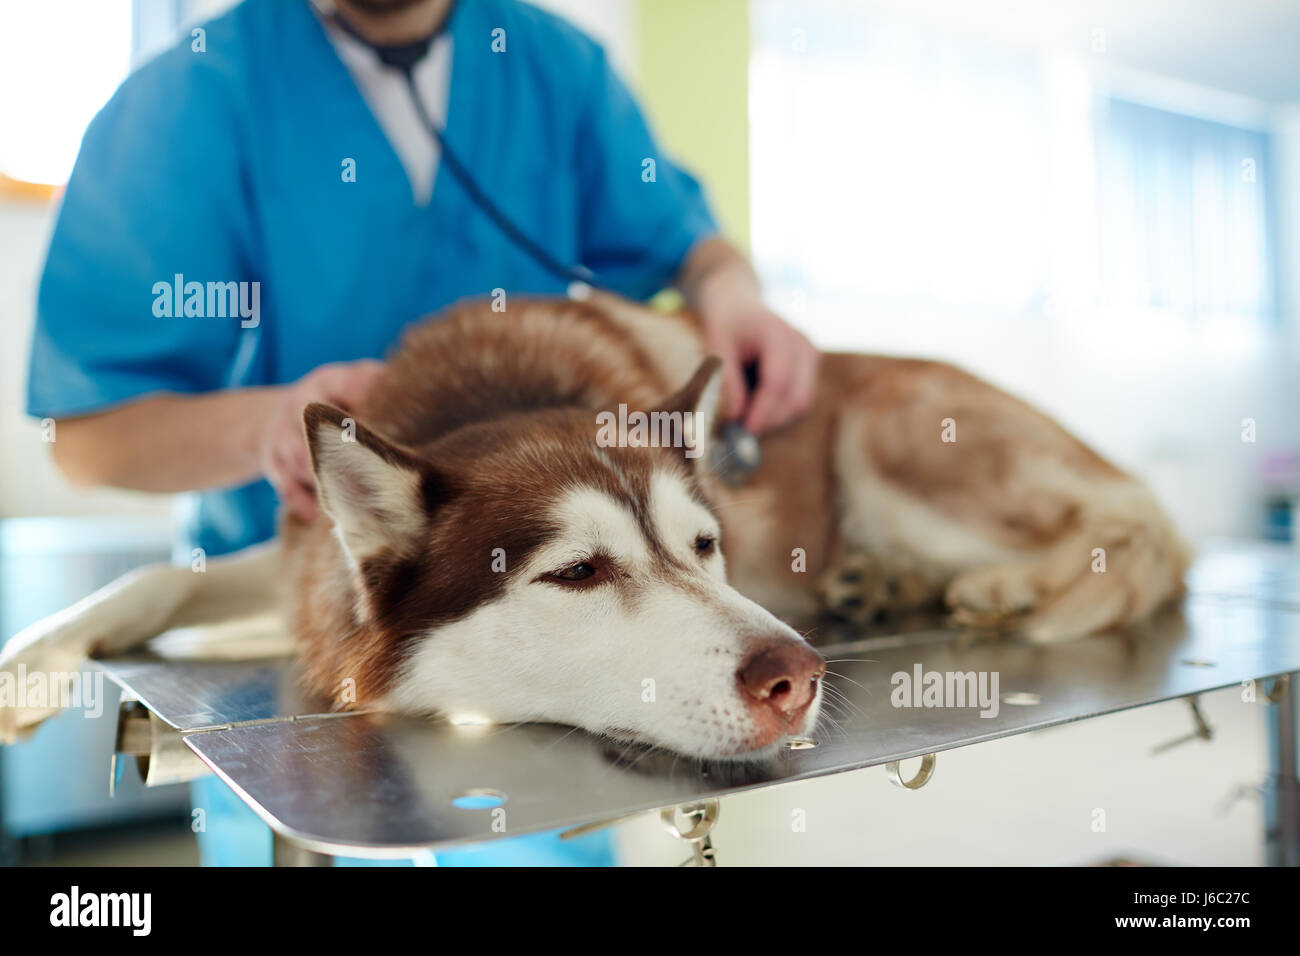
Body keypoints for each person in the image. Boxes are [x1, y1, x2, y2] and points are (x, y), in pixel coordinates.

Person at [28, 0, 819, 866]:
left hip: (536, 680)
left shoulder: (555, 69)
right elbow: (86, 437)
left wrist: (733, 294)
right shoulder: (189, 98)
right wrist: (267, 426)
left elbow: (687, 243)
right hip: (291, 628)